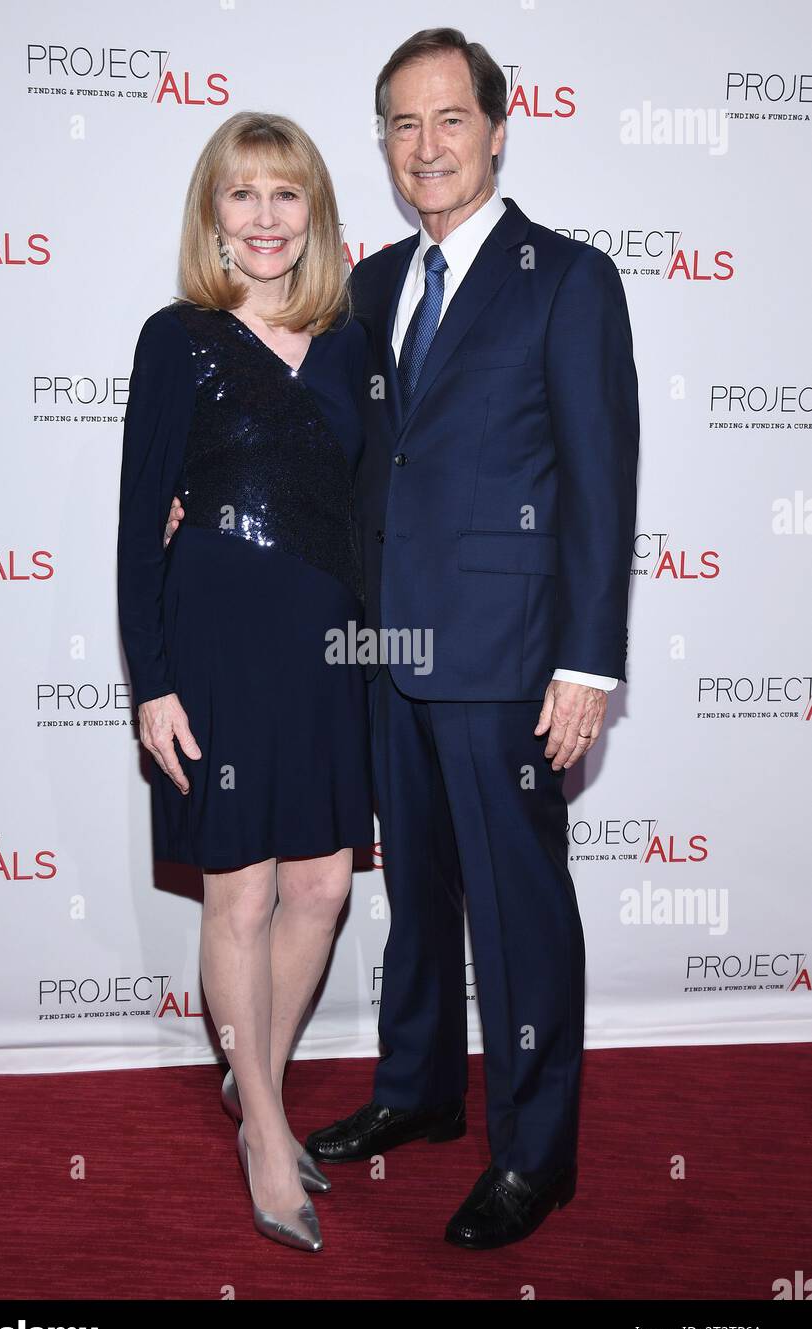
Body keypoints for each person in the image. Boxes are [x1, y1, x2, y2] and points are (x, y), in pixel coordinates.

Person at [164, 30, 639, 1251]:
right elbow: (319, 451)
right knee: (416, 897)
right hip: (376, 654)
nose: (426, 146)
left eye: (449, 120)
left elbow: (599, 479)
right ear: (382, 144)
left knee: (518, 910)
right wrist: (197, 496)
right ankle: (419, 1087)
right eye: (401, 125)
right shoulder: (366, 291)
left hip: (511, 660)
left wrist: (586, 661)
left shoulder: (565, 278)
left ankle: (536, 1155)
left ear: (495, 126)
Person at [116, 111, 374, 1253]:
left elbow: (382, 501)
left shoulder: (355, 340)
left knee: (321, 886)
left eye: (285, 195)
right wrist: (153, 681)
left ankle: (252, 1080)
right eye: (242, 196)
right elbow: (137, 527)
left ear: (313, 212)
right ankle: (265, 1131)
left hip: (328, 646)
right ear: (212, 216)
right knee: (243, 892)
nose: (265, 219)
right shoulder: (177, 339)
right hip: (216, 640)